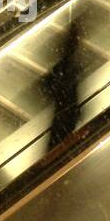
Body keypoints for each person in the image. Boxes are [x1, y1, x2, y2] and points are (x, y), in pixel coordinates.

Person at [41, 14, 87, 151]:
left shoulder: (64, 68)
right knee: (61, 137)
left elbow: (50, 87)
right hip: (66, 113)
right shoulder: (69, 68)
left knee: (57, 138)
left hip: (63, 113)